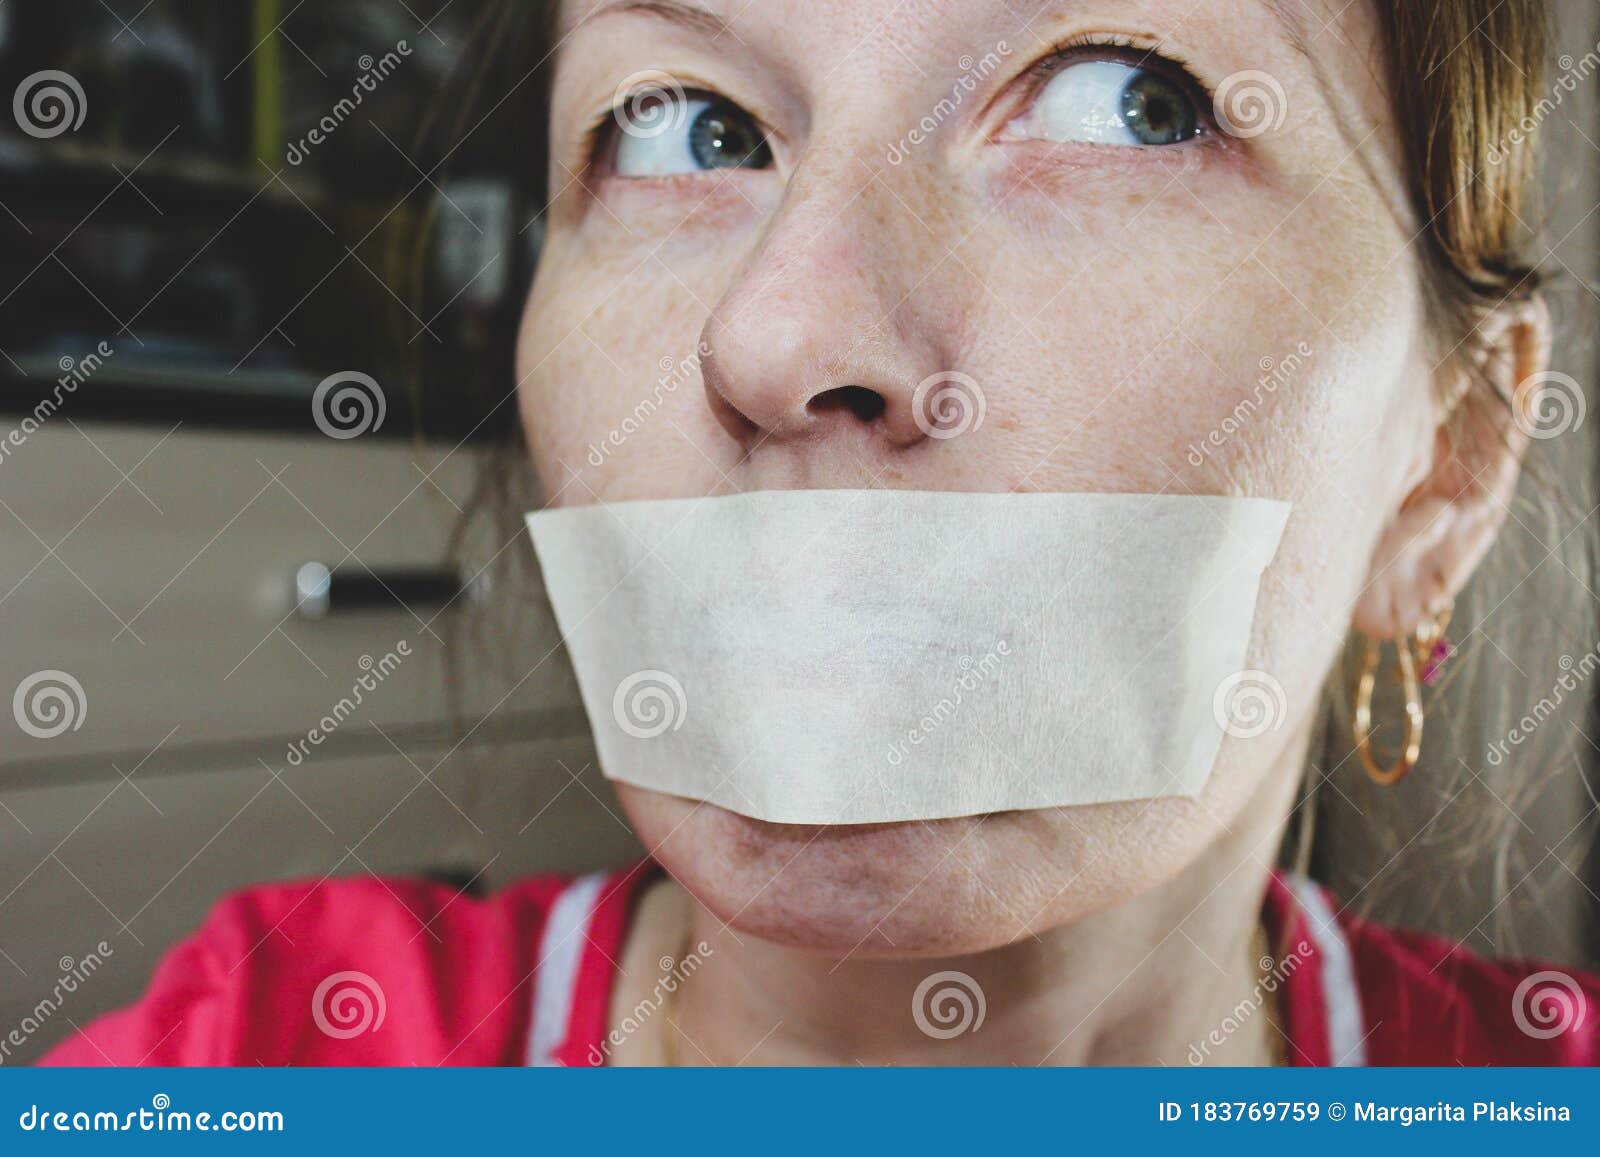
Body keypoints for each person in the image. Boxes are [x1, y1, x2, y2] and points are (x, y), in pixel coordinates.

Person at [44, 0, 1598, 1067]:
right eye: (685, 128)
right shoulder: (260, 1054)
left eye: (1132, 101)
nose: (777, 334)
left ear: (1447, 462)